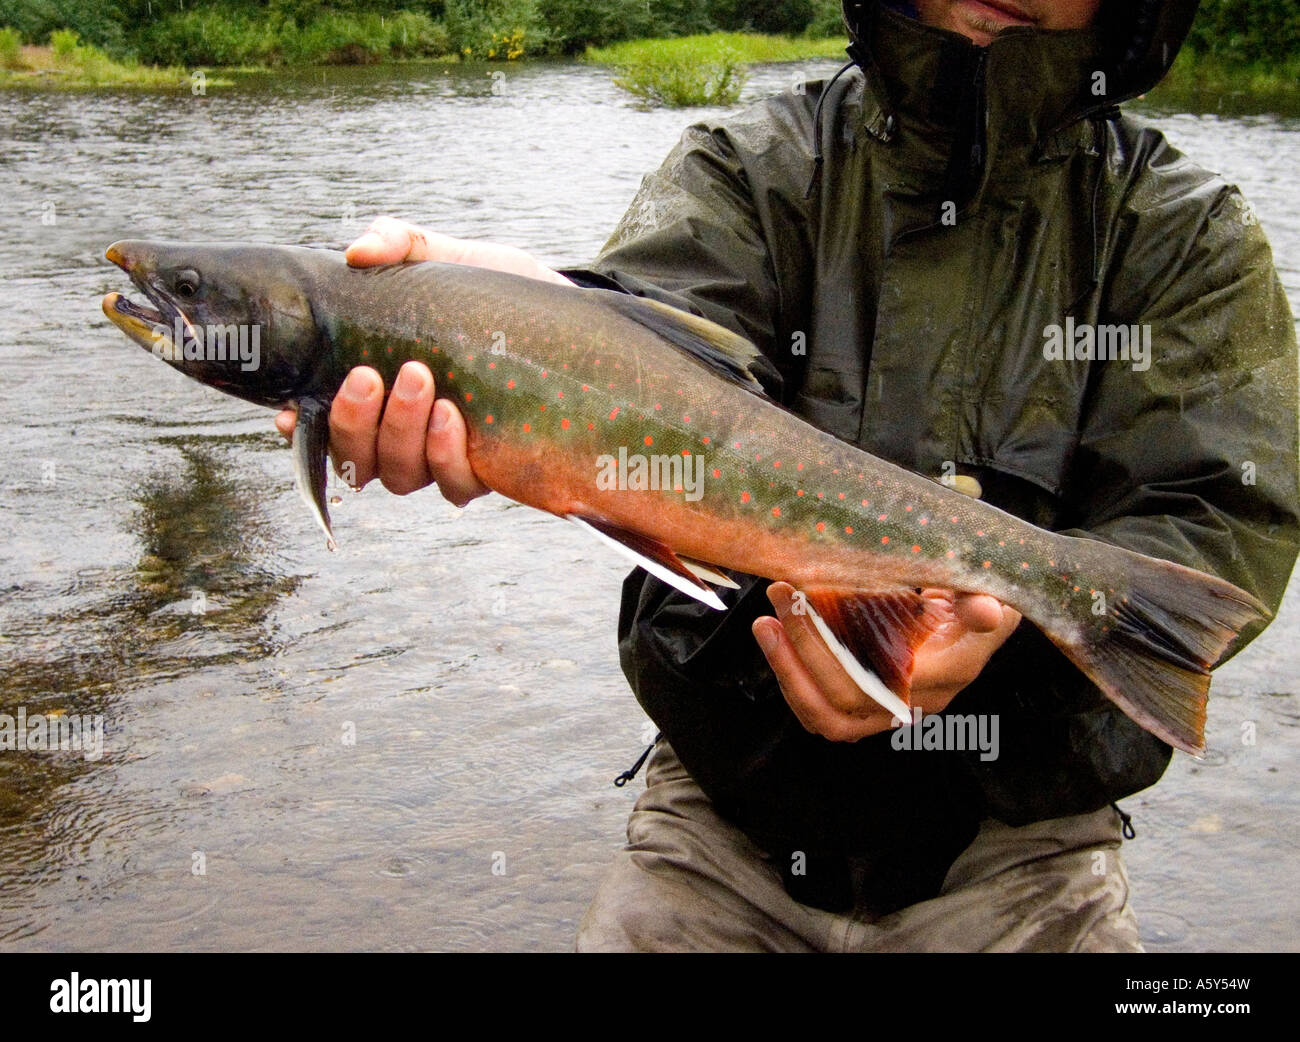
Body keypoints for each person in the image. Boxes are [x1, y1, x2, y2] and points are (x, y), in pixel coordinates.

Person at [276, 0, 1300, 951]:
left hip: (1023, 848)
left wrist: (993, 652)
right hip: (721, 822)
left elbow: (1220, 512)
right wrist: (509, 318)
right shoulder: (751, 165)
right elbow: (647, 338)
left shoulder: (1184, 237)